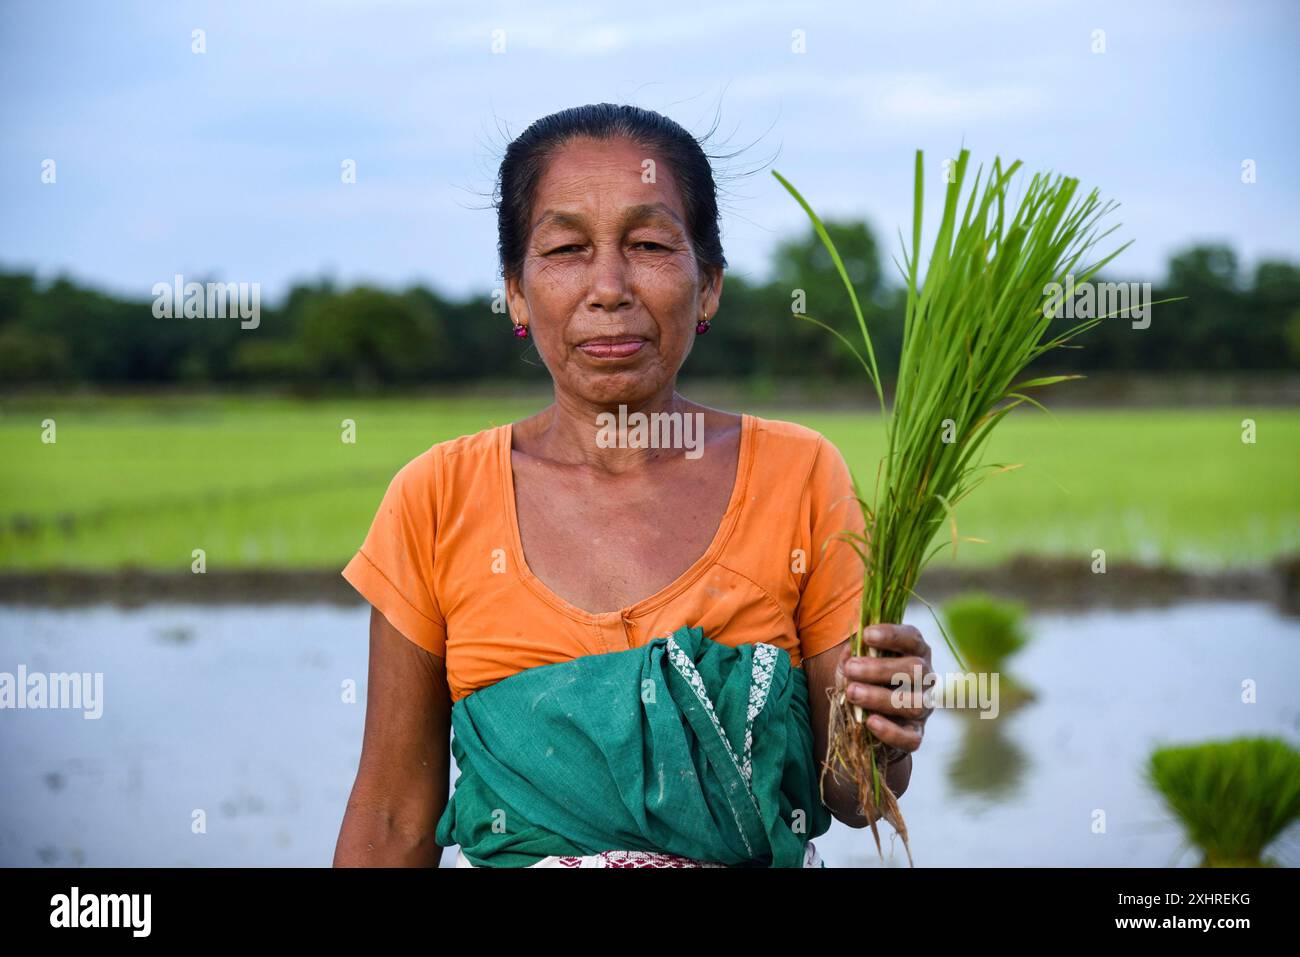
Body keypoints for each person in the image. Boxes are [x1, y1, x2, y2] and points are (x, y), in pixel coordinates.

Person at [332, 103, 934, 868]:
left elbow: (853, 795)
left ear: (708, 284)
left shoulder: (801, 475)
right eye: (566, 248)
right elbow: (391, 817)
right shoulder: (436, 498)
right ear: (516, 291)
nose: (609, 286)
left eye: (649, 244)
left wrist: (883, 723)